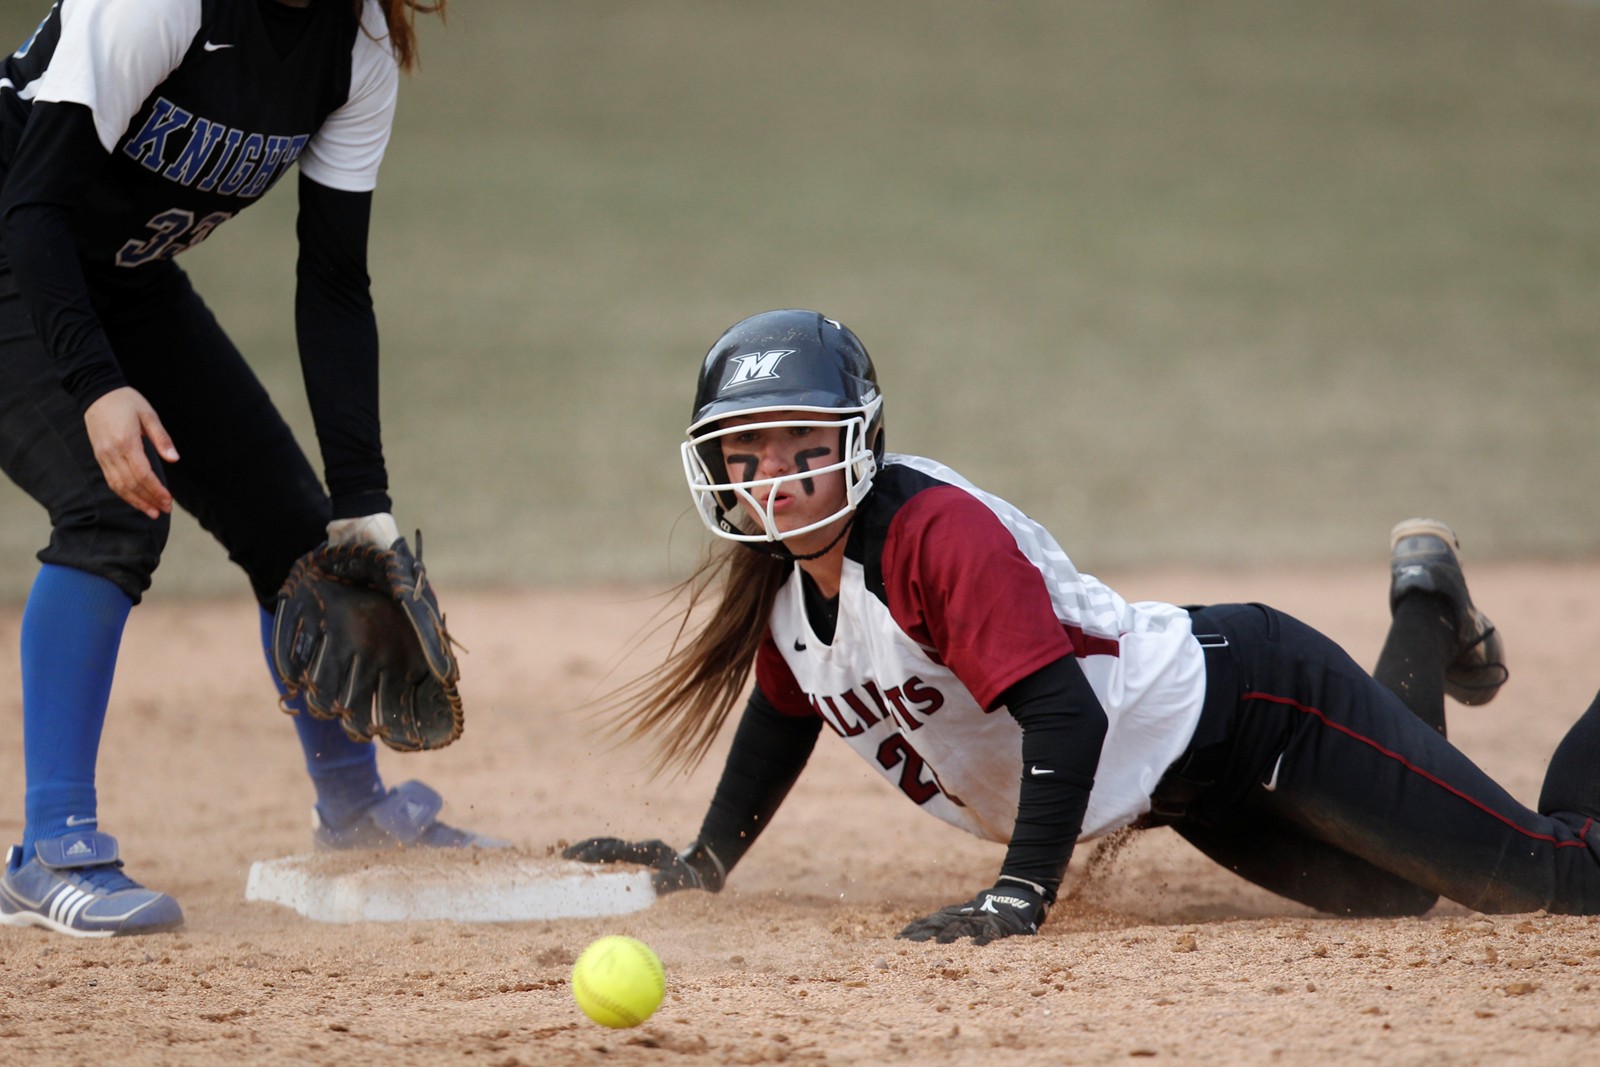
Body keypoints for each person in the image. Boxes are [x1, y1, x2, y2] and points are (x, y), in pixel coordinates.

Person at [564, 307, 1600, 944]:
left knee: (1563, 878)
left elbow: (1065, 713)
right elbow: (785, 711)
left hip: (1260, 707)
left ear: (857, 439)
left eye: (800, 439)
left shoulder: (931, 535)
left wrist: (1020, 892)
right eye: (743, 449)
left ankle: (1493, 699)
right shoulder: (789, 589)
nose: (772, 475)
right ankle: (1427, 602)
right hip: (1184, 782)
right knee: (1396, 895)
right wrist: (705, 859)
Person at [0, 0, 499, 940]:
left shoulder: (357, 44)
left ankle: (353, 810)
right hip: (12, 237)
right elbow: (30, 203)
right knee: (110, 509)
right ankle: (49, 849)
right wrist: (98, 386)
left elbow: (334, 283)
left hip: (120, 274)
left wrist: (363, 506)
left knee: (300, 540)